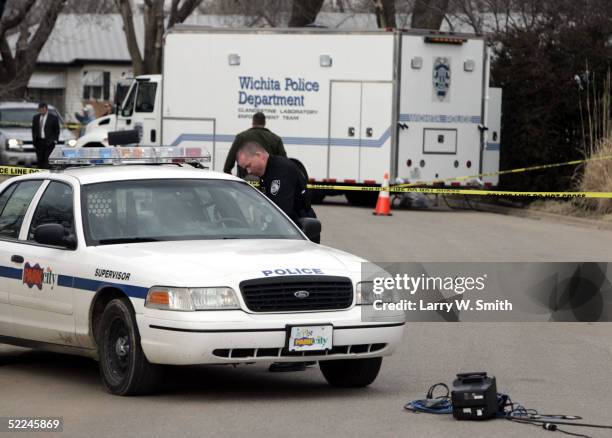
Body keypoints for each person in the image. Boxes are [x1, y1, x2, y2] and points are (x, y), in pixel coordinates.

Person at [236, 141, 316, 227]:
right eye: (245, 168)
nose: (249, 171)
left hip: (300, 228)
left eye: (249, 165)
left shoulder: (281, 171)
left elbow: (281, 213)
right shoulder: (268, 172)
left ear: (258, 155)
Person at [224, 112, 287, 176]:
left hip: (245, 182)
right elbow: (284, 163)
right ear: (264, 123)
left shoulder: (241, 137)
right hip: (268, 180)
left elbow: (228, 165)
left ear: (253, 122)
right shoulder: (276, 139)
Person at [31, 102, 60, 169]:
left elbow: (57, 130)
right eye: (40, 109)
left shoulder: (53, 118)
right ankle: (39, 174)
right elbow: (33, 130)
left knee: (47, 160)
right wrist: (34, 140)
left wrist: (55, 140)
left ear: (46, 109)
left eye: (43, 109)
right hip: (39, 142)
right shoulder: (36, 118)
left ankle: (46, 174)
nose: (41, 110)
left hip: (49, 142)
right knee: (40, 159)